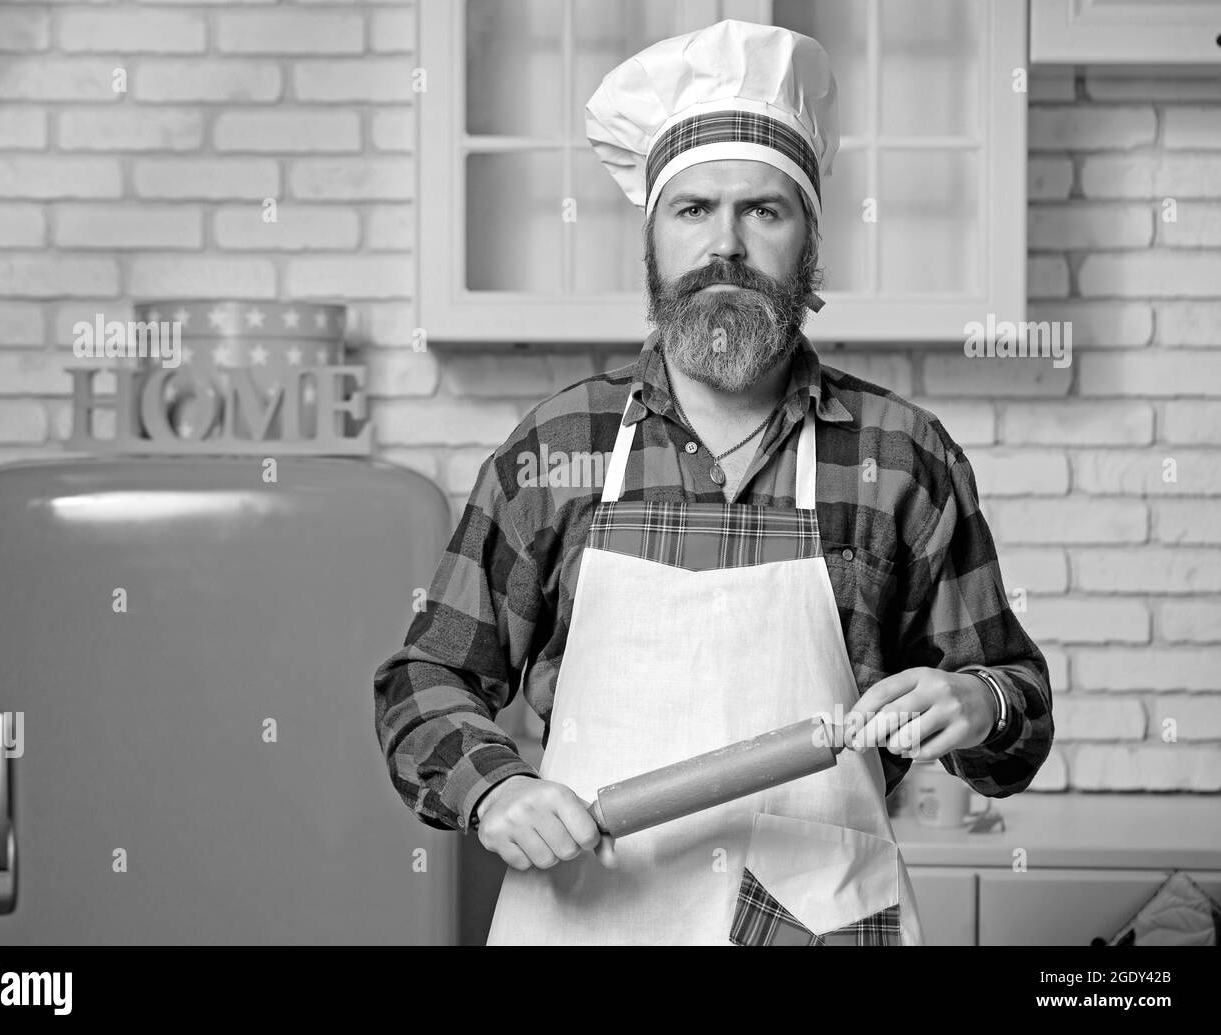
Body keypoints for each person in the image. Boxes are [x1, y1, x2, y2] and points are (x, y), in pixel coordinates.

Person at [373, 20, 1053, 946]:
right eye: (692, 210)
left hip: (818, 921)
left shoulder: (901, 455)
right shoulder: (557, 446)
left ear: (810, 238)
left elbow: (1018, 708)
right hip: (587, 918)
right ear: (650, 241)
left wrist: (982, 702)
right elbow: (425, 678)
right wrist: (493, 784)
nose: (724, 245)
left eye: (762, 211)